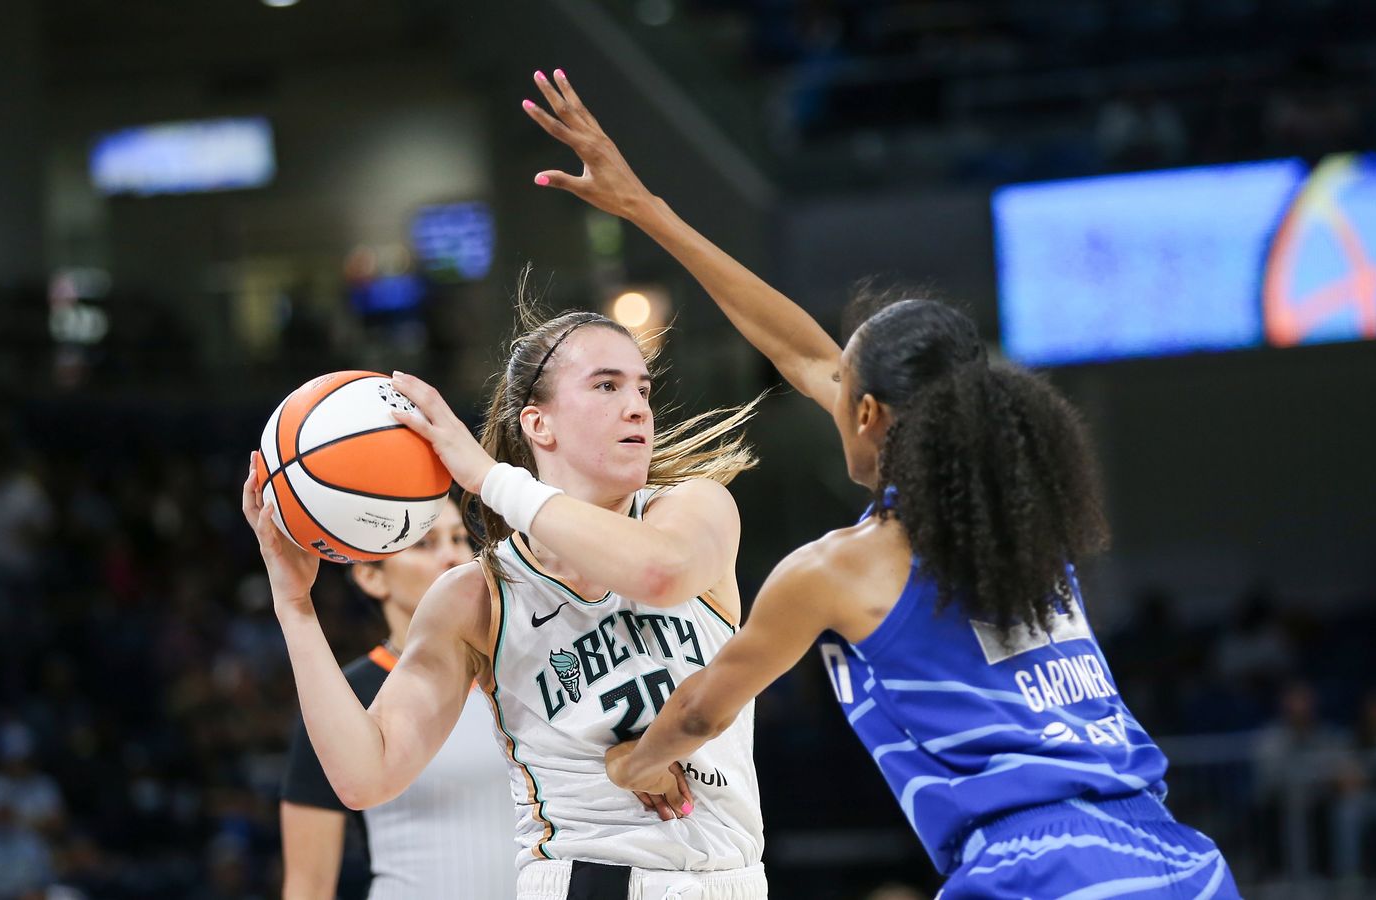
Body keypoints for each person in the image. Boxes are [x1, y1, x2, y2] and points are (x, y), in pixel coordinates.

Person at [523, 69, 1239, 897]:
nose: (825, 389)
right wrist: (647, 210)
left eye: (843, 392)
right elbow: (805, 355)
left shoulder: (837, 569)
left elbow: (697, 715)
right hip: (1175, 857)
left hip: (1040, 872)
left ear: (869, 416)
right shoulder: (1024, 525)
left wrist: (632, 763)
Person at [244, 299, 767, 900]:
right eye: (606, 385)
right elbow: (366, 775)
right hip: (585, 876)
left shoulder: (694, 509)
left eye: (643, 391)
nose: (637, 408)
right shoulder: (478, 595)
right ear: (538, 424)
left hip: (734, 879)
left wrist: (490, 478)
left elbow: (659, 572)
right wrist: (295, 606)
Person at [278, 495, 516, 900]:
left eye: (460, 539)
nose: (451, 556)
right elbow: (308, 885)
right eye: (424, 544)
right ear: (371, 576)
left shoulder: (524, 670)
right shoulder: (345, 695)